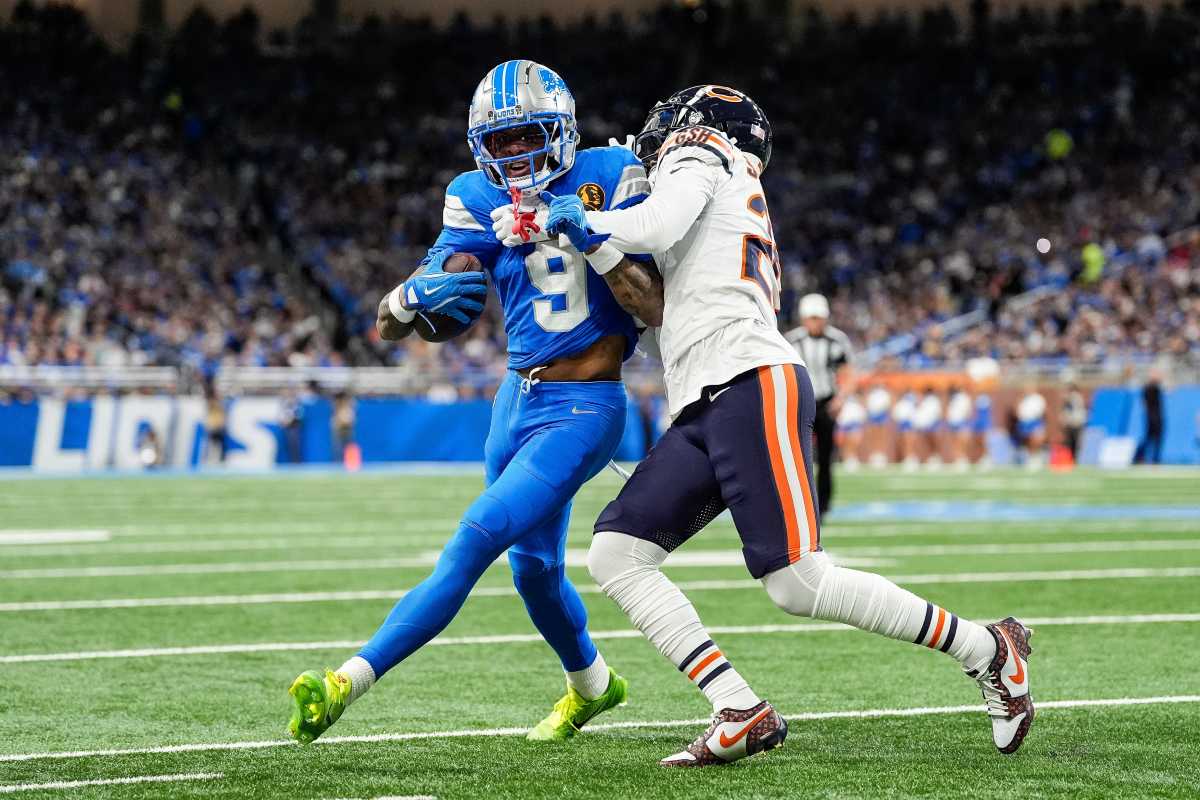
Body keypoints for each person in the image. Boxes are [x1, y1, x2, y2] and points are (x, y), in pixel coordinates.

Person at [538, 85, 1034, 767]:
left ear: (698, 127)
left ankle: (988, 649)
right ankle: (738, 707)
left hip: (749, 379)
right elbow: (654, 286)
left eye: (667, 129)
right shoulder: (722, 176)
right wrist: (586, 234)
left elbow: (652, 226)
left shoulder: (701, 153)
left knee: (797, 579)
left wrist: (589, 221)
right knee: (617, 552)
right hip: (707, 396)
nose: (656, 140)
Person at [286, 60, 663, 746]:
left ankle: (348, 679)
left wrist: (598, 238)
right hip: (512, 403)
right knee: (534, 571)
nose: (516, 152)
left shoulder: (609, 173)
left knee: (479, 536)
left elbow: (656, 303)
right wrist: (408, 297)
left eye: (529, 135)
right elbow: (396, 315)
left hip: (586, 404)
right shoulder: (473, 195)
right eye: (503, 139)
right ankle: (594, 685)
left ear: (562, 129)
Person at [785, 293, 854, 514]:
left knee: (825, 458)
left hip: (826, 402)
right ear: (804, 318)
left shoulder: (837, 339)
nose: (816, 322)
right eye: (812, 318)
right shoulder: (792, 340)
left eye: (819, 318)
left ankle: (822, 507)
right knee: (795, 457)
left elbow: (848, 372)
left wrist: (841, 398)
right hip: (799, 403)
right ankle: (796, 505)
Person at [1138, 372, 1165, 464]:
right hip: (1153, 418)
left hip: (1154, 417)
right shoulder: (1151, 388)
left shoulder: (1150, 388)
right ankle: (1143, 457)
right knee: (1151, 438)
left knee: (1153, 439)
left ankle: (1151, 458)